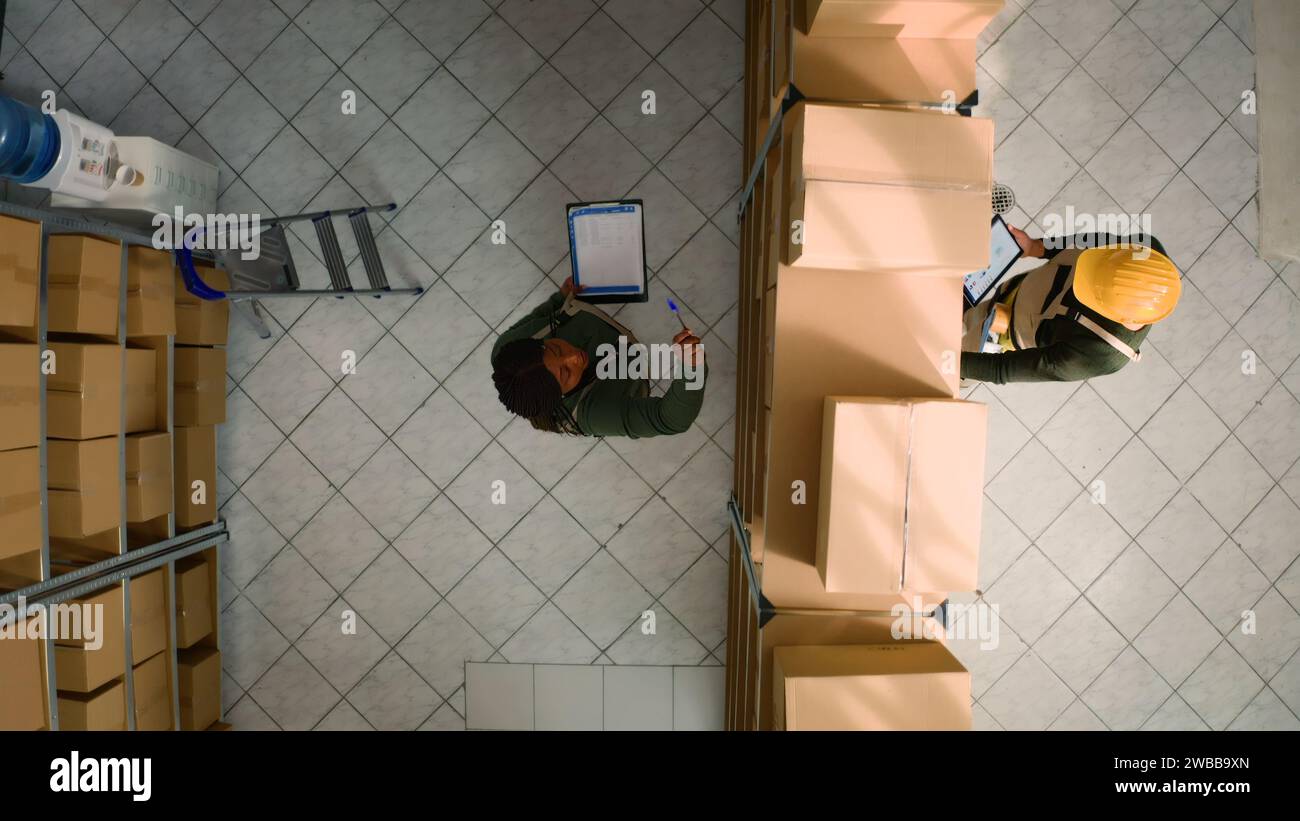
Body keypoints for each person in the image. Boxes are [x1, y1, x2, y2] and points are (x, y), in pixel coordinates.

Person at [960, 228, 1182, 384]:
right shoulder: (1145, 252)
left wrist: (948, 362)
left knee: (955, 357)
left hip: (999, 335)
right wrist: (1036, 247)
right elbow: (1089, 240)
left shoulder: (1100, 354)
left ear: (1120, 317)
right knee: (960, 315)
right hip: (1019, 291)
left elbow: (1001, 369)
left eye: (1094, 287)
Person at [491, 277, 706, 437]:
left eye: (556, 349)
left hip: (610, 340)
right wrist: (692, 368)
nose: (574, 357)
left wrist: (560, 298)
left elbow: (538, 319)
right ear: (560, 397)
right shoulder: (591, 414)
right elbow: (669, 419)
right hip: (626, 371)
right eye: (566, 373)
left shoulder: (506, 347)